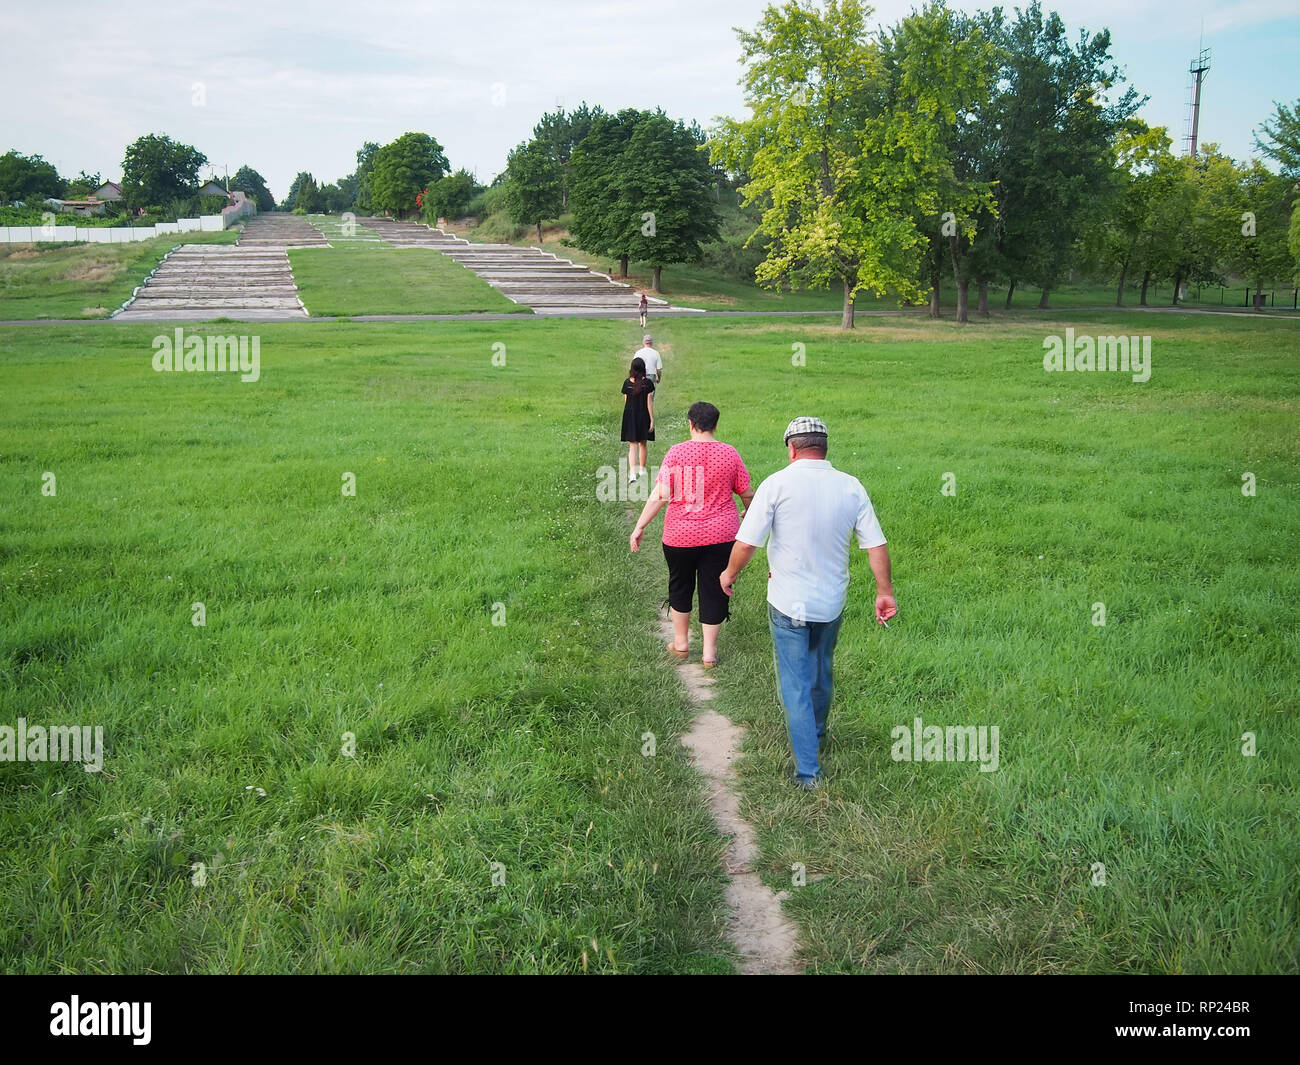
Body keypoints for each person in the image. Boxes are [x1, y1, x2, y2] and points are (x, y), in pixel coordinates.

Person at [720, 417, 897, 790]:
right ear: (825, 447)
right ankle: (815, 735)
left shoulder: (777, 484)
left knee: (796, 683)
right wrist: (885, 592)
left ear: (791, 448)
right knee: (821, 670)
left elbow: (748, 542)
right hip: (831, 602)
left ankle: (808, 771)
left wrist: (730, 574)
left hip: (787, 602)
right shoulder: (851, 487)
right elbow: (875, 545)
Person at [630, 402, 753, 668]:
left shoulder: (676, 453)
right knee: (715, 587)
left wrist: (640, 526)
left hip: (680, 535)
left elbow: (661, 494)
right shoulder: (730, 453)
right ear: (716, 425)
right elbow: (747, 492)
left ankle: (682, 643)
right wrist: (748, 512)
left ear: (690, 424)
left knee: (680, 583)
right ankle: (709, 653)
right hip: (722, 536)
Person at [620, 356, 655, 482]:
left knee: (632, 446)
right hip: (643, 415)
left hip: (630, 416)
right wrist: (652, 420)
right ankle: (642, 469)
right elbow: (649, 402)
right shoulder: (648, 384)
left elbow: (626, 400)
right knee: (643, 444)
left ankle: (632, 474)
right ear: (643, 368)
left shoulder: (627, 383)